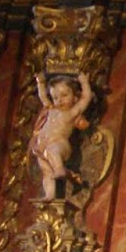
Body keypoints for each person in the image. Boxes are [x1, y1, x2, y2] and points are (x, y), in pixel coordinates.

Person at [31, 72, 92, 201]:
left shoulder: (71, 113)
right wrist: (40, 83)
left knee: (52, 151)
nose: (59, 100)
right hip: (41, 149)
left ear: (75, 97)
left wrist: (83, 81)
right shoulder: (51, 109)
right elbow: (43, 97)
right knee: (47, 173)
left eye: (64, 95)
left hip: (59, 145)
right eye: (55, 97)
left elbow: (86, 97)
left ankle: (60, 169)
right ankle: (50, 194)